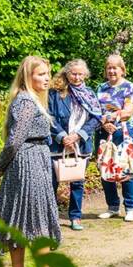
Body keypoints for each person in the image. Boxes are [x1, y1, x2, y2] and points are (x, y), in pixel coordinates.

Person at [0, 56, 66, 267]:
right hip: (28, 162)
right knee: (37, 218)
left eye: (47, 73)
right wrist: (1, 165)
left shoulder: (30, 99)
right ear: (28, 76)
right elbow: (15, 140)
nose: (47, 78)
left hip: (30, 160)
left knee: (19, 220)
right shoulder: (26, 101)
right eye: (41, 74)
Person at [48, 58, 100, 231]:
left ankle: (75, 217)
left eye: (80, 74)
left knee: (77, 182)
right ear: (67, 73)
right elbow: (49, 117)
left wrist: (78, 136)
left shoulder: (90, 94)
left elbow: (95, 118)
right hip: (58, 145)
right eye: (73, 73)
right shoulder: (56, 93)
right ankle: (50, 217)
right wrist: (63, 137)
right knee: (52, 182)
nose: (77, 77)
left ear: (85, 75)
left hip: (80, 144)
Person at [96, 54, 133, 222]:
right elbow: (95, 111)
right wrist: (104, 123)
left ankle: (130, 207)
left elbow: (128, 110)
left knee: (125, 168)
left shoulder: (129, 87)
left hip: (123, 132)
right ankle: (112, 206)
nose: (112, 70)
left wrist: (111, 118)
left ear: (122, 70)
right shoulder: (100, 87)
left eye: (115, 67)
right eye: (109, 67)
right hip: (103, 131)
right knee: (106, 169)